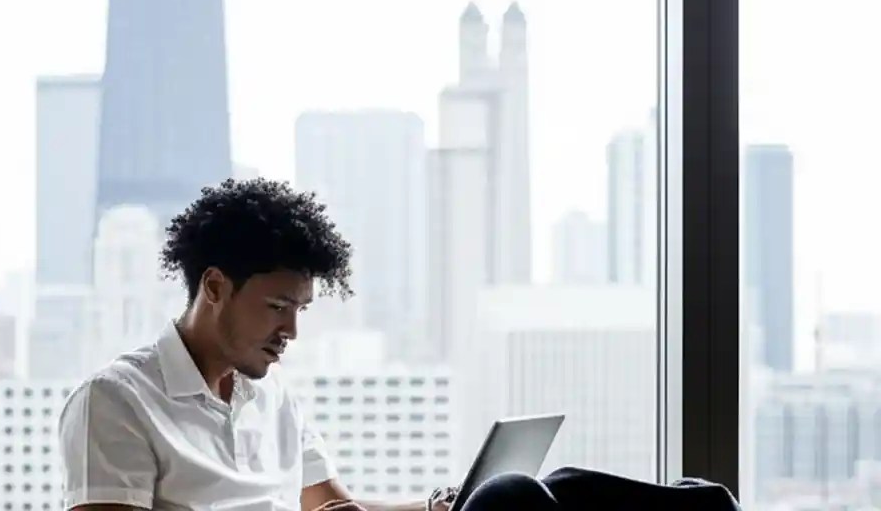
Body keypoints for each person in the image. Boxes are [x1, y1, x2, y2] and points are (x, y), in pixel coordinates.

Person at [59, 178, 740, 511]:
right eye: (275, 308)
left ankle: (691, 503)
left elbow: (331, 508)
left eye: (300, 310)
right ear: (213, 286)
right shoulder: (117, 402)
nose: (290, 332)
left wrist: (430, 507)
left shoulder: (270, 400)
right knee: (513, 502)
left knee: (524, 493)